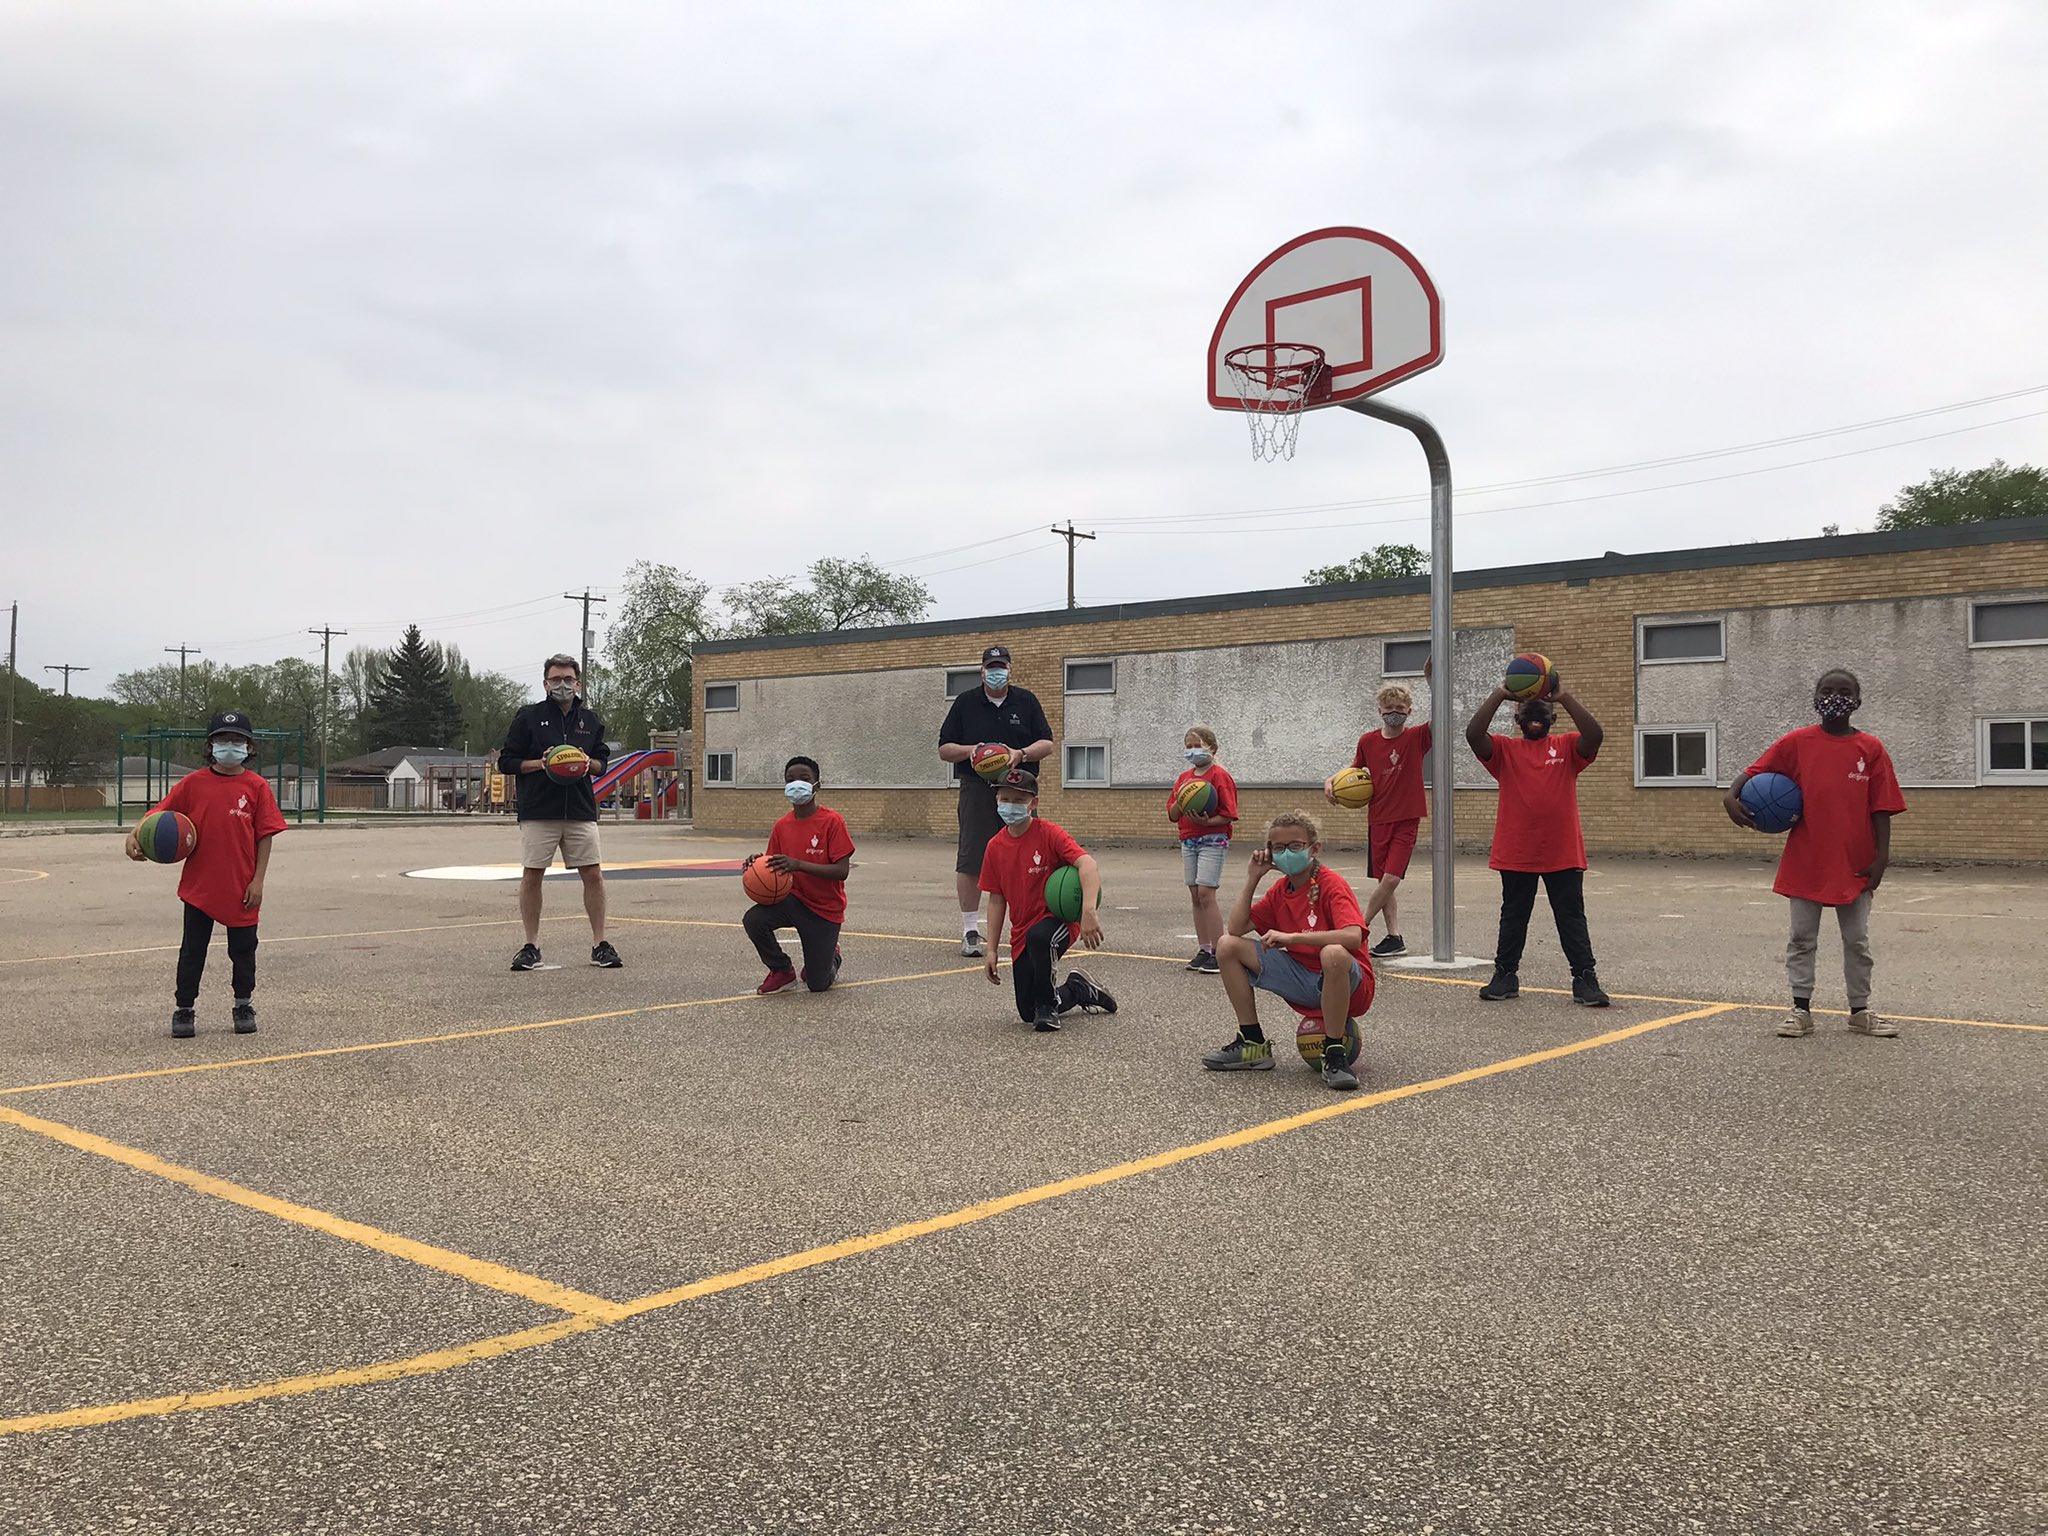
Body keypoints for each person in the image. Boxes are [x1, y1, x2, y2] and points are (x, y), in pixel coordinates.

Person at [1724, 668, 1906, 1038]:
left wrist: (1882, 856)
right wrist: (1730, 795)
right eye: (1827, 690)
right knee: (1801, 938)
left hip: (1855, 860)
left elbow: (1882, 807)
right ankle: (1800, 1010)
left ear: (1857, 701)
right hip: (1807, 857)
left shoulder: (1870, 749)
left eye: (1843, 691)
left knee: (1857, 940)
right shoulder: (1797, 742)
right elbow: (1756, 771)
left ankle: (1860, 1010)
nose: (1834, 696)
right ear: (1815, 697)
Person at [125, 709, 287, 1039]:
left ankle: (243, 1004)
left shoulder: (256, 787)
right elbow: (159, 813)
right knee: (192, 952)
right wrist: (134, 834)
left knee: (243, 953)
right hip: (199, 887)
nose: (231, 745)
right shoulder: (193, 784)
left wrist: (258, 881)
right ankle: (184, 1009)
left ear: (249, 747)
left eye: (238, 740)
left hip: (242, 886)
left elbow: (265, 835)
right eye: (223, 740)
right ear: (210, 745)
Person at [1464, 668, 1611, 1006]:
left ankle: (1585, 979)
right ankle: (1505, 975)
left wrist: (1563, 696)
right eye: (1528, 710)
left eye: (1542, 710)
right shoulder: (1504, 750)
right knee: (1514, 915)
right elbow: (1474, 735)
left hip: (1562, 851)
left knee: (1571, 917)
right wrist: (1501, 693)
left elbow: (1596, 735)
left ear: (1553, 718)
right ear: (1517, 718)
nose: (1535, 714)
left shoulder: (1568, 746)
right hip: (1517, 851)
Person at [1200, 810, 1374, 1092]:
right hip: (1304, 980)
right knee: (1227, 945)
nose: (1286, 853)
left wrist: (1292, 938)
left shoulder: (1332, 884)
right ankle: (1253, 1043)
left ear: (1313, 849)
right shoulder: (1280, 890)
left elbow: (1353, 936)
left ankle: (1334, 1054)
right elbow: (1236, 928)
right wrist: (1252, 878)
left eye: (1295, 846)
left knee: (1333, 953)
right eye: (1278, 848)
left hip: (1347, 984)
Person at [498, 654, 620, 971]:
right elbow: (506, 762)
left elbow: (601, 764)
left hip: (579, 809)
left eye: (568, 679)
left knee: (593, 874)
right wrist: (541, 763)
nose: (562, 685)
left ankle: (600, 944)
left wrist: (584, 761)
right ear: (545, 683)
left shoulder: (590, 721)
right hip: (539, 809)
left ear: (577, 683)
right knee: (532, 875)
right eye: (556, 679)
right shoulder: (528, 717)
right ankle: (530, 945)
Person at [978, 768, 1116, 1031]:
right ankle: (1079, 989)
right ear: (996, 801)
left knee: (1040, 938)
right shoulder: (994, 847)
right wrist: (992, 949)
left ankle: (1047, 1007)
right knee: (1027, 1012)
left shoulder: (1048, 833)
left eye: (1019, 801)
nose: (1011, 806)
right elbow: (996, 900)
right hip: (1022, 931)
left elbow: (1087, 864)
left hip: (1058, 920)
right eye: (1005, 799)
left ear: (1034, 803)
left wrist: (1088, 911)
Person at [938, 644, 1053, 958]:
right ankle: (970, 931)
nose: (996, 672)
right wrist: (973, 751)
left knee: (1030, 855)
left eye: (1001, 666)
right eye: (991, 667)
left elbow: (1047, 743)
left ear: (1010, 670)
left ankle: (1034, 925)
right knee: (972, 856)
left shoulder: (1026, 701)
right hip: (977, 786)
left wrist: (1020, 754)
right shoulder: (965, 703)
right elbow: (944, 748)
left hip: (1019, 786)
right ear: (982, 671)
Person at [1328, 662, 1433, 957]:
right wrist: (1331, 781)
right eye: (1388, 708)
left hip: (1406, 818)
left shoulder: (1417, 737)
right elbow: (1353, 771)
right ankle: (1394, 937)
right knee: (1382, 881)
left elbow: (1442, 716)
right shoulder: (1368, 741)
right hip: (1378, 818)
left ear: (1409, 711)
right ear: (1380, 710)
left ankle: (1357, 929)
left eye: (1400, 707)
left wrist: (1432, 681)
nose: (1393, 711)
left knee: (1391, 879)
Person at [744, 756, 855, 994]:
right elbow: (774, 869)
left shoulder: (832, 822)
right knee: (753, 920)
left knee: (817, 984)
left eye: (804, 779)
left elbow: (841, 871)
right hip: (793, 901)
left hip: (824, 910)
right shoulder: (782, 826)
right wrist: (756, 866)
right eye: (790, 780)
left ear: (817, 785)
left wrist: (799, 864)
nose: (797, 784)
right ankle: (782, 971)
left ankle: (831, 956)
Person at [1169, 724, 1239, 972]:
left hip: (1213, 840)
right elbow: (1172, 814)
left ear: (1212, 748)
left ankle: (1220, 951)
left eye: (1197, 746)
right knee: (1195, 895)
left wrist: (1207, 822)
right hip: (1189, 839)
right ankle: (1204, 948)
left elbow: (1229, 814)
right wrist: (1181, 798)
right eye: (1188, 747)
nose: (1192, 751)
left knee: (1207, 894)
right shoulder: (1183, 780)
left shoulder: (1220, 776)